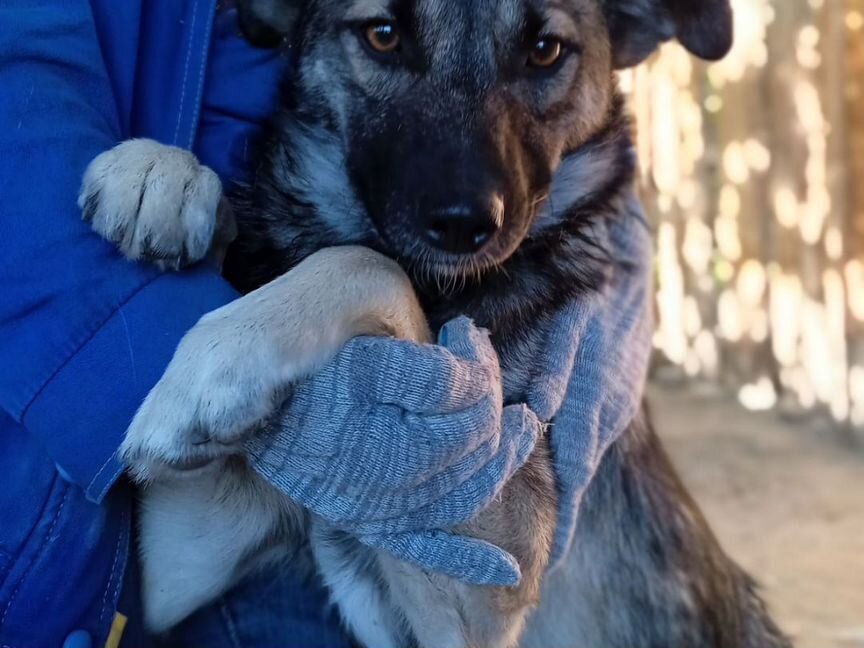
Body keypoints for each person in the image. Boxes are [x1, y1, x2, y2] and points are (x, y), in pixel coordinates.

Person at [0, 2, 652, 647]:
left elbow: (475, 615)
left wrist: (619, 267)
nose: (466, 199)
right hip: (87, 455)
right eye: (387, 35)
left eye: (540, 55)